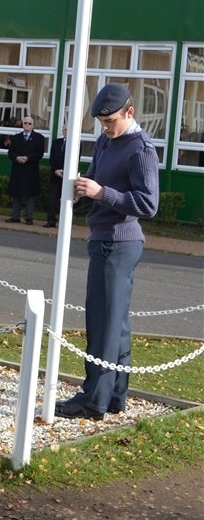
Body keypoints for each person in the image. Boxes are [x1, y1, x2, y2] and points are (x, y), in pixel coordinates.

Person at [55, 84, 159, 421]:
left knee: (103, 322)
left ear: (130, 112)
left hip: (120, 242)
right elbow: (99, 181)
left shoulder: (141, 150)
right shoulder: (106, 140)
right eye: (100, 122)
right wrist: (82, 187)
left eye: (110, 121)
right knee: (115, 324)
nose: (104, 127)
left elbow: (148, 203)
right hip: (105, 239)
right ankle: (113, 396)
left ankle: (93, 400)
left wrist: (101, 193)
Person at [5, 116, 45, 225]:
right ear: (22, 124)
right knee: (16, 194)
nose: (27, 125)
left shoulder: (39, 138)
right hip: (18, 169)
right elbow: (10, 152)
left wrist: (28, 158)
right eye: (25, 123)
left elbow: (39, 154)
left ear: (33, 125)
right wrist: (16, 158)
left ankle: (29, 217)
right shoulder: (16, 138)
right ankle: (15, 216)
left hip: (30, 170)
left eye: (29, 123)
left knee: (31, 195)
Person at [44, 124, 67, 228]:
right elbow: (52, 158)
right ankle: (51, 220)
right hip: (55, 175)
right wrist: (56, 170)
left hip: (67, 177)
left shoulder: (76, 143)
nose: (65, 131)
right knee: (52, 199)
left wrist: (64, 171)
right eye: (64, 129)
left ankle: (63, 222)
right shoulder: (56, 142)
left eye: (67, 129)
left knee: (64, 200)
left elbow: (75, 159)